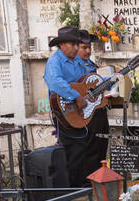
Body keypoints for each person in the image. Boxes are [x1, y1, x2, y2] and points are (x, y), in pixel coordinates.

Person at [44, 25, 106, 187]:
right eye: (73, 44)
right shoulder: (55, 61)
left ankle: (84, 184)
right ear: (63, 44)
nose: (76, 48)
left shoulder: (78, 61)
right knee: (73, 147)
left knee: (83, 145)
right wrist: (76, 96)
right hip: (64, 109)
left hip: (78, 109)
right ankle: (74, 187)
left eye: (77, 44)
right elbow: (55, 82)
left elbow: (83, 82)